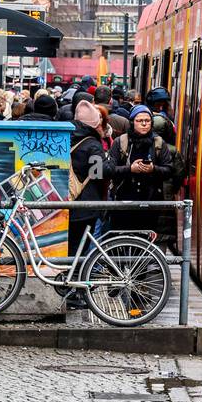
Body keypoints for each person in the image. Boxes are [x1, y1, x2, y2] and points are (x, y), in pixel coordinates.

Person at [107, 105, 176, 233]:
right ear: (132, 122)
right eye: (139, 121)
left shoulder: (159, 143)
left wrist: (153, 169)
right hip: (123, 203)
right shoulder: (120, 142)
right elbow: (109, 170)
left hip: (150, 204)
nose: (144, 124)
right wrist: (130, 169)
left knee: (144, 243)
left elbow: (169, 170)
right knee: (122, 241)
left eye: (147, 121)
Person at [68, 99, 108, 282]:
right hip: (87, 205)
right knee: (81, 251)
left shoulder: (68, 136)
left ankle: (70, 283)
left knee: (70, 250)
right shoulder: (92, 144)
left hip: (67, 203)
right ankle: (76, 288)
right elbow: (98, 173)